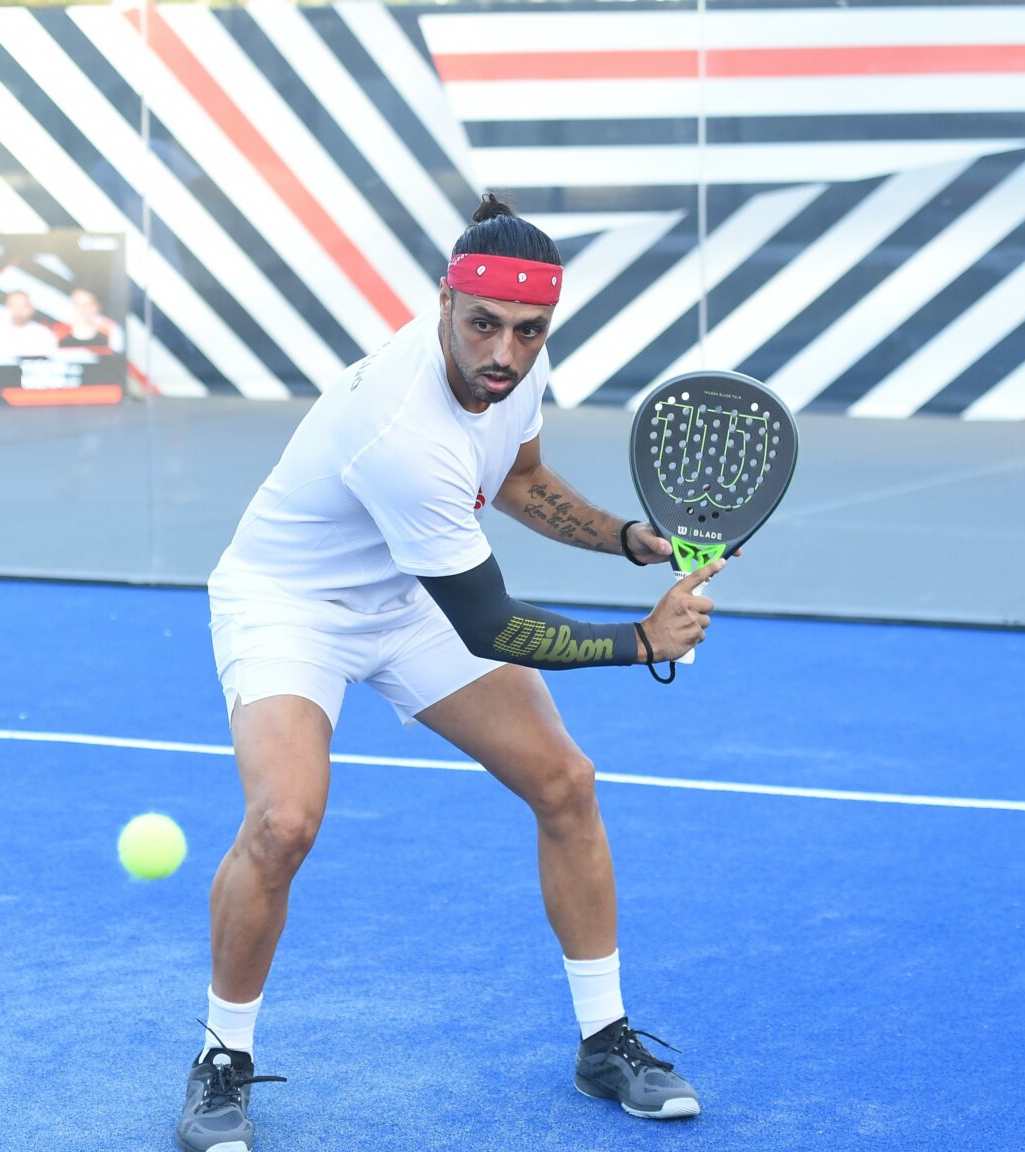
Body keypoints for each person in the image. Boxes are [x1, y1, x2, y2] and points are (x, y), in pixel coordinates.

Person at [181, 193, 722, 1152]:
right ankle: (222, 1054)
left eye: (527, 331)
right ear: (443, 303)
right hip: (292, 603)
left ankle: (604, 1040)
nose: (504, 354)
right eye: (483, 326)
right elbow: (492, 625)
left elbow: (518, 480)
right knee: (283, 822)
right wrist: (643, 641)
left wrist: (633, 541)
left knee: (566, 782)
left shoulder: (516, 364)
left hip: (410, 590)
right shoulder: (401, 434)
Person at [0, 290, 59, 364]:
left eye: (22, 305)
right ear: (7, 307)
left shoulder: (44, 335)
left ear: (31, 308)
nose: (19, 310)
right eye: (14, 305)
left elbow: (51, 363)